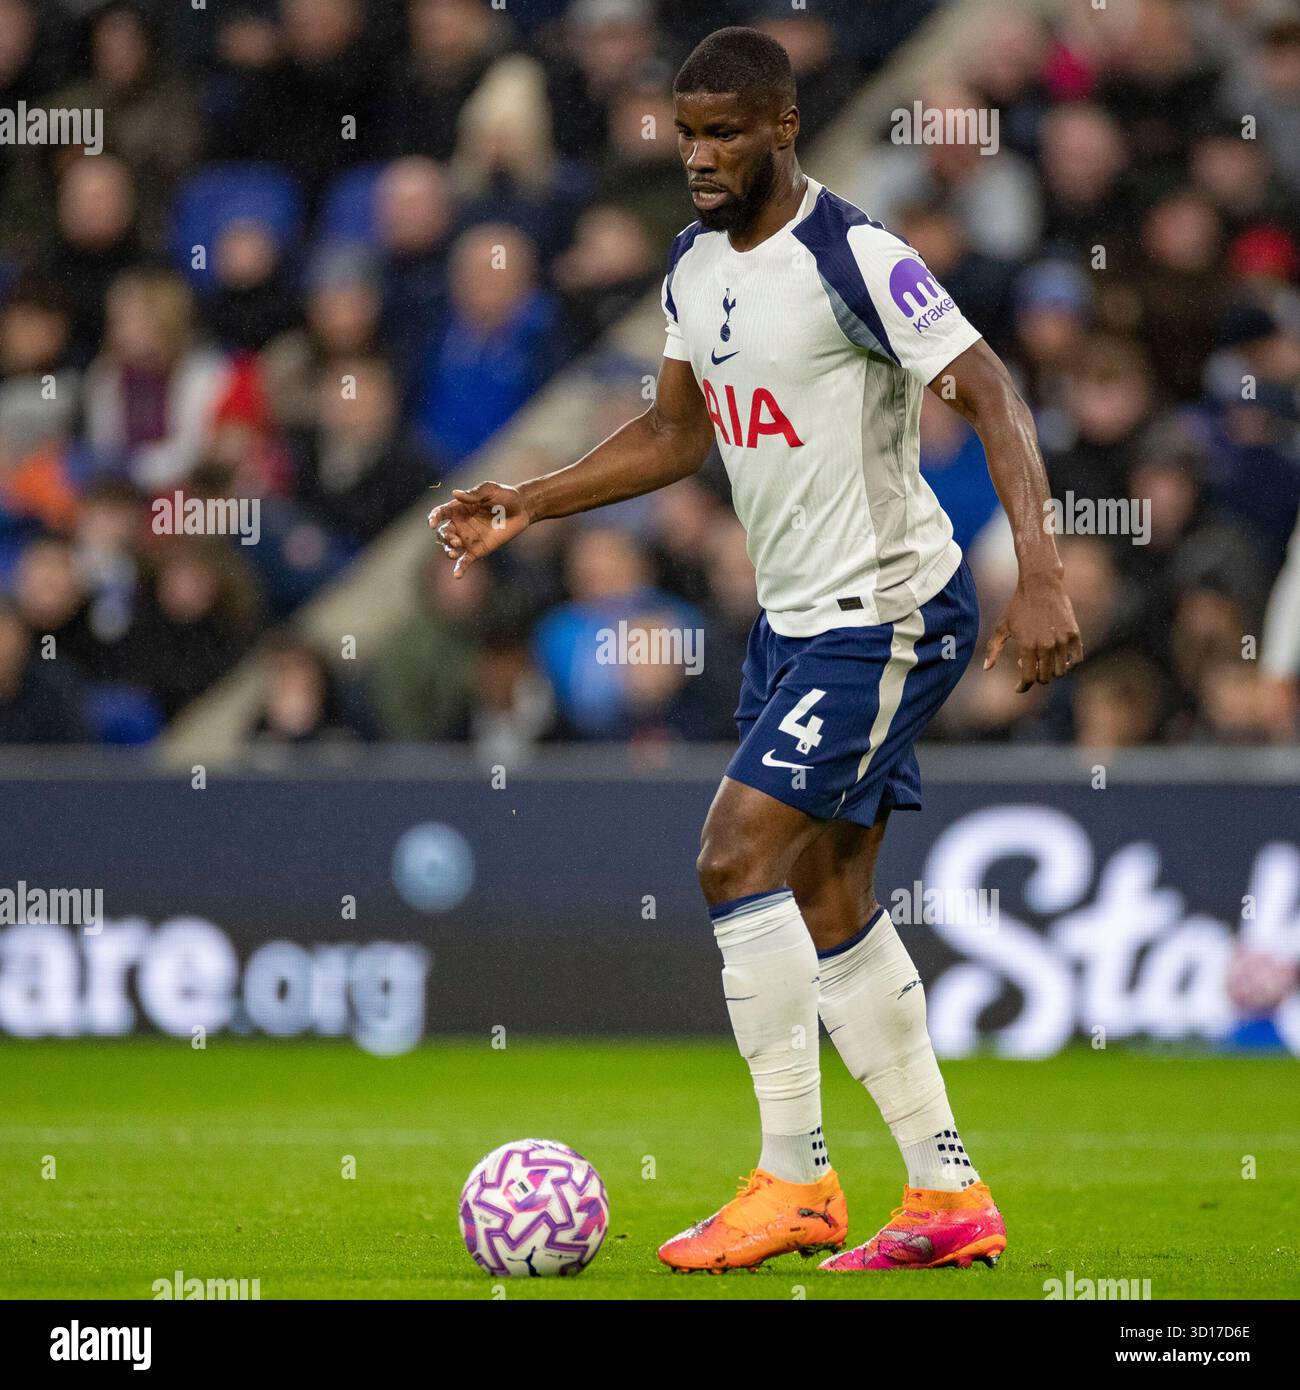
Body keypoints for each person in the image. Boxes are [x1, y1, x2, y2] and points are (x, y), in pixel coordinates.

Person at [429, 27, 1082, 1275]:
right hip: (794, 623)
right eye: (686, 134)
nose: (700, 156)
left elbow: (991, 390)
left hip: (886, 611)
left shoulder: (853, 255)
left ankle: (795, 1178)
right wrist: (533, 499)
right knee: (830, 893)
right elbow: (676, 435)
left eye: (725, 131)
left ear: (782, 127)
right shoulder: (690, 268)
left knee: (734, 858)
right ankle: (946, 1195)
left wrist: (1041, 572)